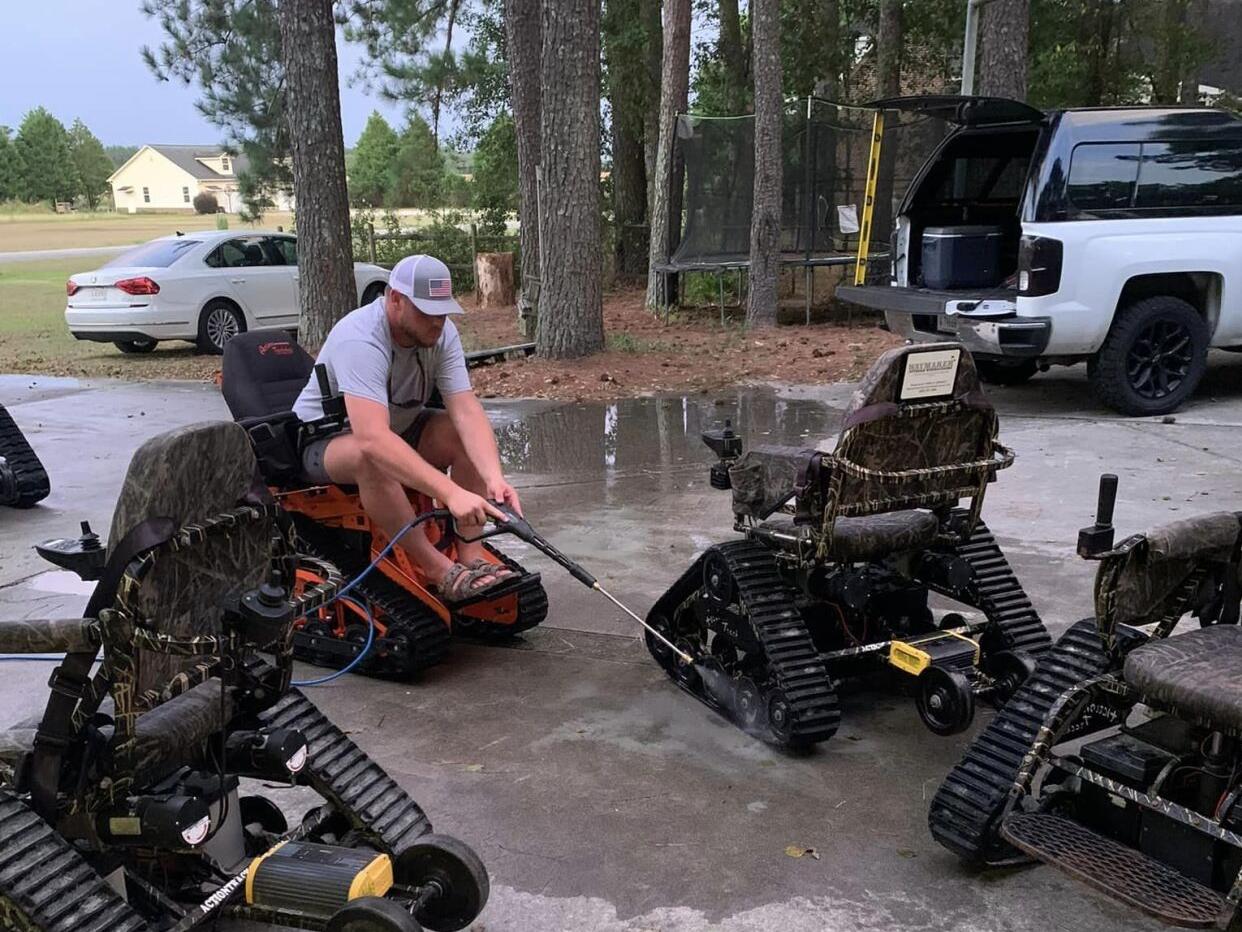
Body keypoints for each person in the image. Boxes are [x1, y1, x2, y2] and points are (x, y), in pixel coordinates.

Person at [292, 254, 523, 605]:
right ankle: (437, 569)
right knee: (370, 456)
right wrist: (450, 492)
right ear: (395, 300)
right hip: (324, 441)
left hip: (398, 429)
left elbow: (465, 409)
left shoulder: (442, 334)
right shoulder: (361, 338)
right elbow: (372, 437)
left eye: (443, 312)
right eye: (427, 313)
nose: (437, 323)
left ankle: (471, 556)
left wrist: (494, 478)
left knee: (457, 433)